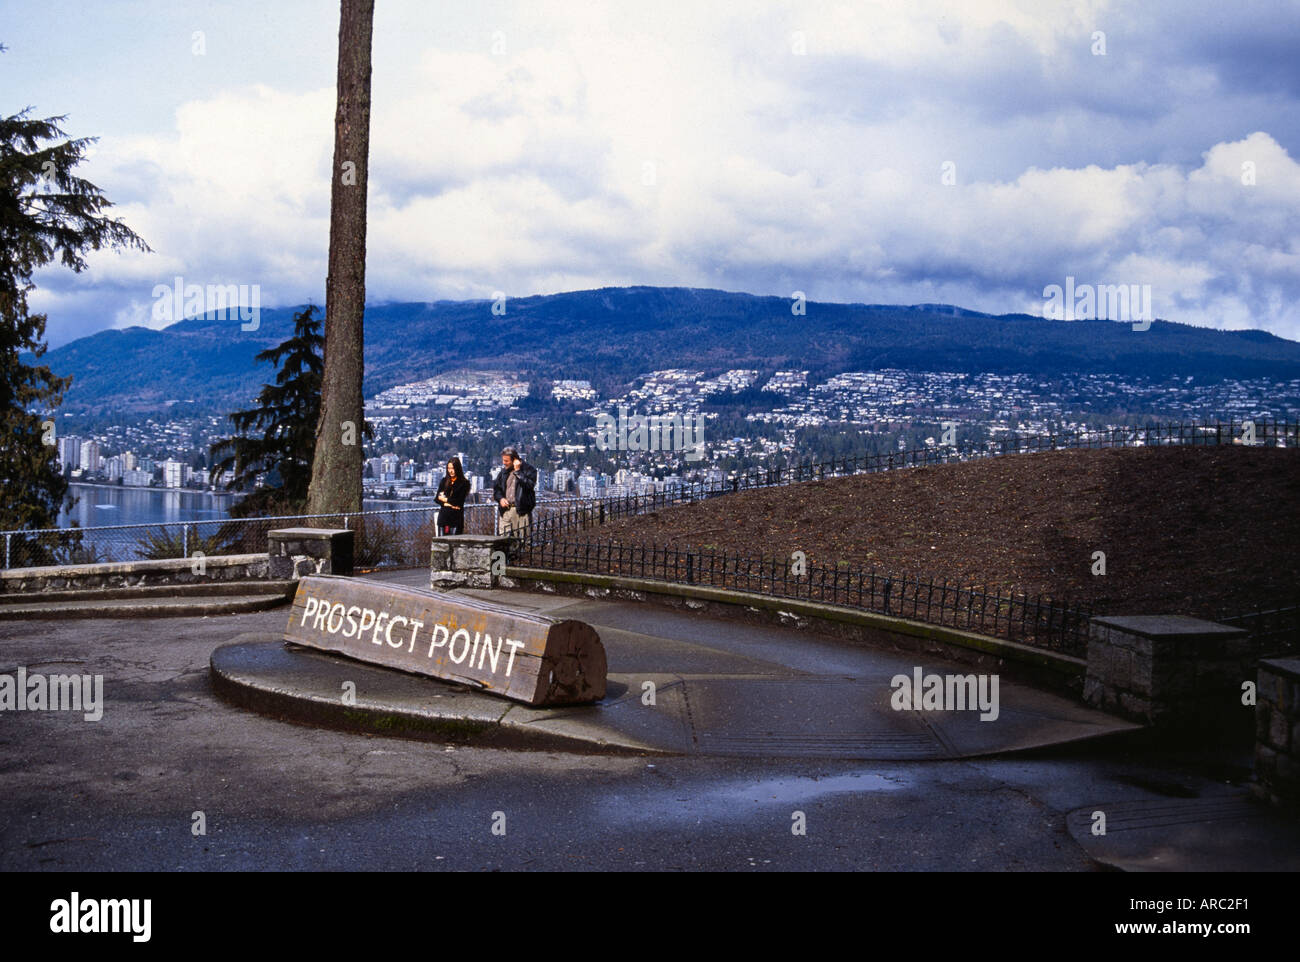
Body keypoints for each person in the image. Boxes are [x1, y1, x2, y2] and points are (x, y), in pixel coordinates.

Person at [492, 446, 536, 537]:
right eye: (503, 460)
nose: (504, 463)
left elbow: (529, 485)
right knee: (503, 540)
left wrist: (518, 472)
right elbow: (497, 489)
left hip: (521, 511)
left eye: (506, 461)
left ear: (515, 459)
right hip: (506, 511)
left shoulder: (529, 470)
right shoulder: (503, 473)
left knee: (523, 540)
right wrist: (500, 499)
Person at [435, 457, 470, 535]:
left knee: (455, 544)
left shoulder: (464, 483)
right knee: (442, 544)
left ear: (458, 468)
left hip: (456, 519)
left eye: (453, 468)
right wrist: (449, 503)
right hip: (443, 518)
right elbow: (437, 499)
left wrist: (445, 499)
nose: (450, 471)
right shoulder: (444, 481)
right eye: (449, 468)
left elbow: (459, 502)